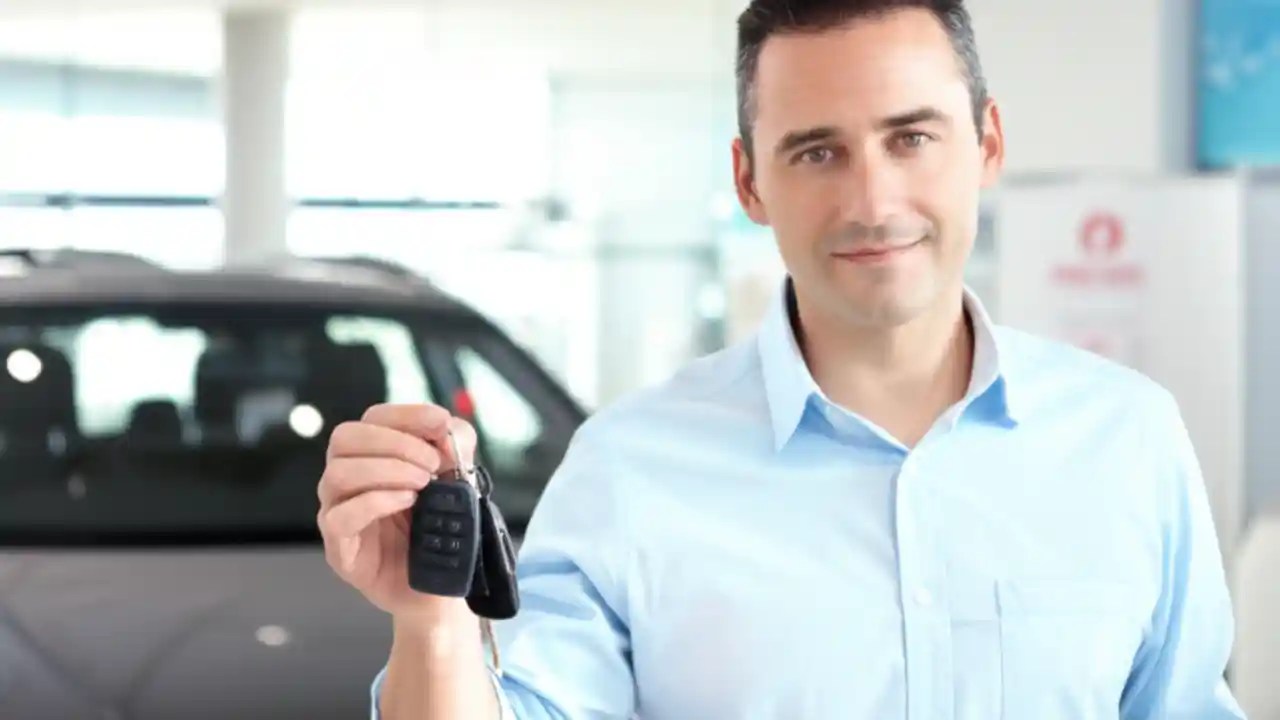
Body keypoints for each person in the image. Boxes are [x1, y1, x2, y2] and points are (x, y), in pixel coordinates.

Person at [316, 1, 1247, 718]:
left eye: (911, 138)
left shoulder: (1129, 438)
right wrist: (432, 620)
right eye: (816, 153)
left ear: (987, 144)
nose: (873, 201)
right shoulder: (629, 469)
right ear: (749, 180)